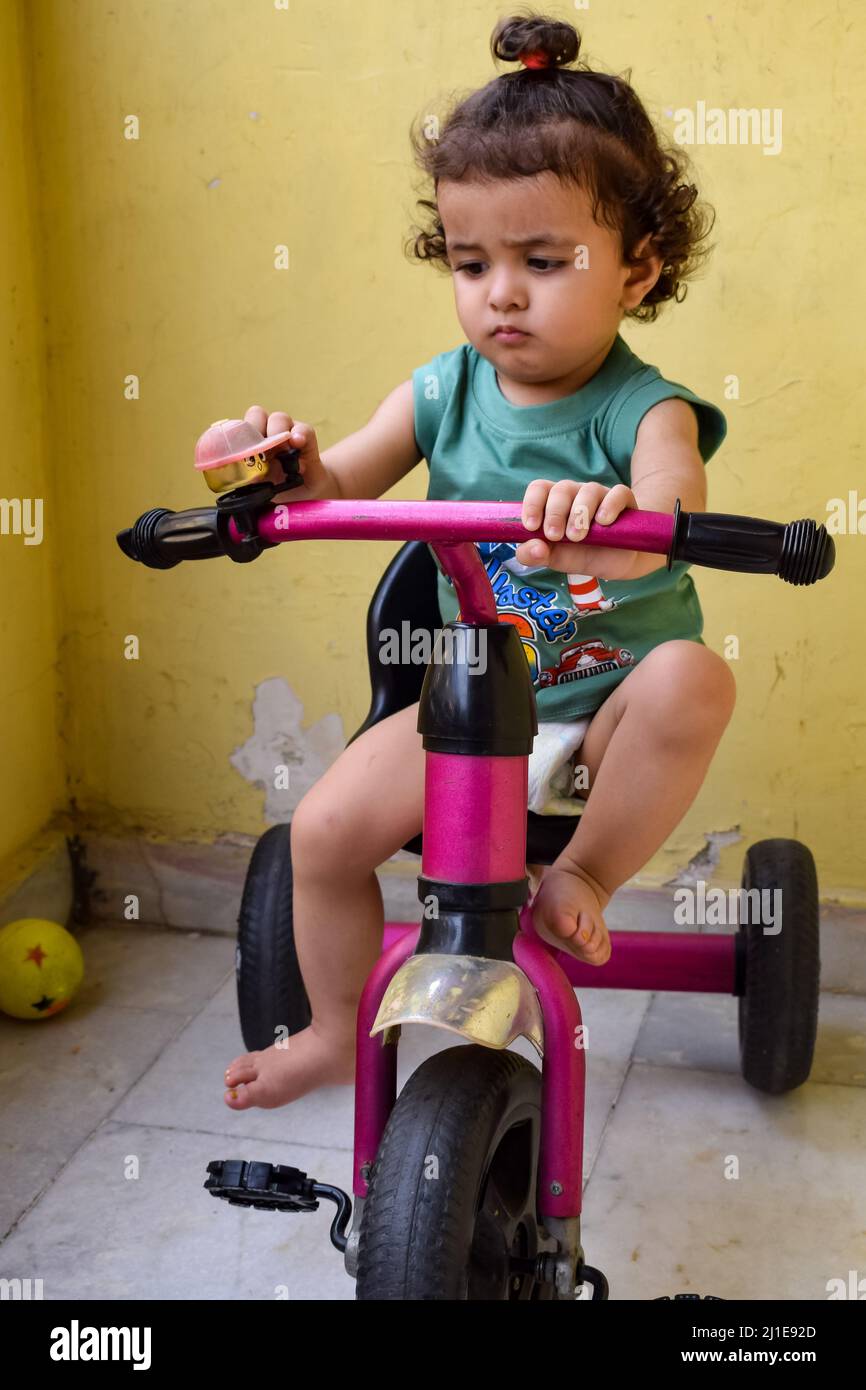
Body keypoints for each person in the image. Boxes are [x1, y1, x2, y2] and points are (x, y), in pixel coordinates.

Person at [224, 11, 736, 1110]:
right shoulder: (438, 391)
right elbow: (339, 483)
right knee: (318, 833)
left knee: (695, 672)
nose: (499, 291)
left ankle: (580, 875)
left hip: (597, 726)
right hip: (464, 703)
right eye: (471, 261)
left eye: (542, 261)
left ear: (636, 270)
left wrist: (610, 520)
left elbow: (672, 511)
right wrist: (274, 470)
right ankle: (326, 1026)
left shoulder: (646, 411)